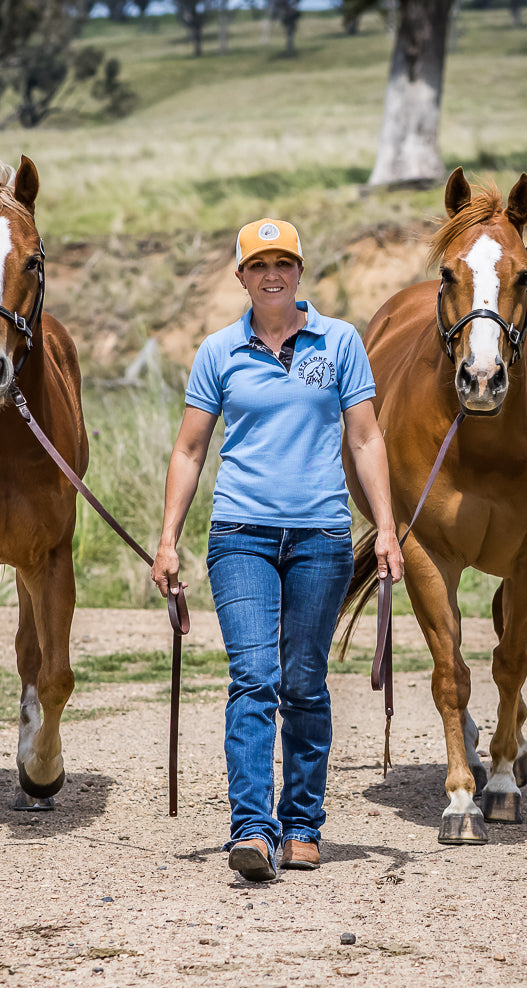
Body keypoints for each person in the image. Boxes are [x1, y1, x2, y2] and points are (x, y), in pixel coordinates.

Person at [151, 218, 403, 882]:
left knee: (304, 684)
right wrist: (168, 538)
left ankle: (301, 825)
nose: (272, 274)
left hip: (322, 537)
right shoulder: (218, 352)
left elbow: (367, 441)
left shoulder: (341, 341)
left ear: (299, 271)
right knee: (255, 677)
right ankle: (253, 831)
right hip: (240, 536)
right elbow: (189, 449)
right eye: (259, 264)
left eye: (283, 263)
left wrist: (387, 529)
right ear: (240, 276)